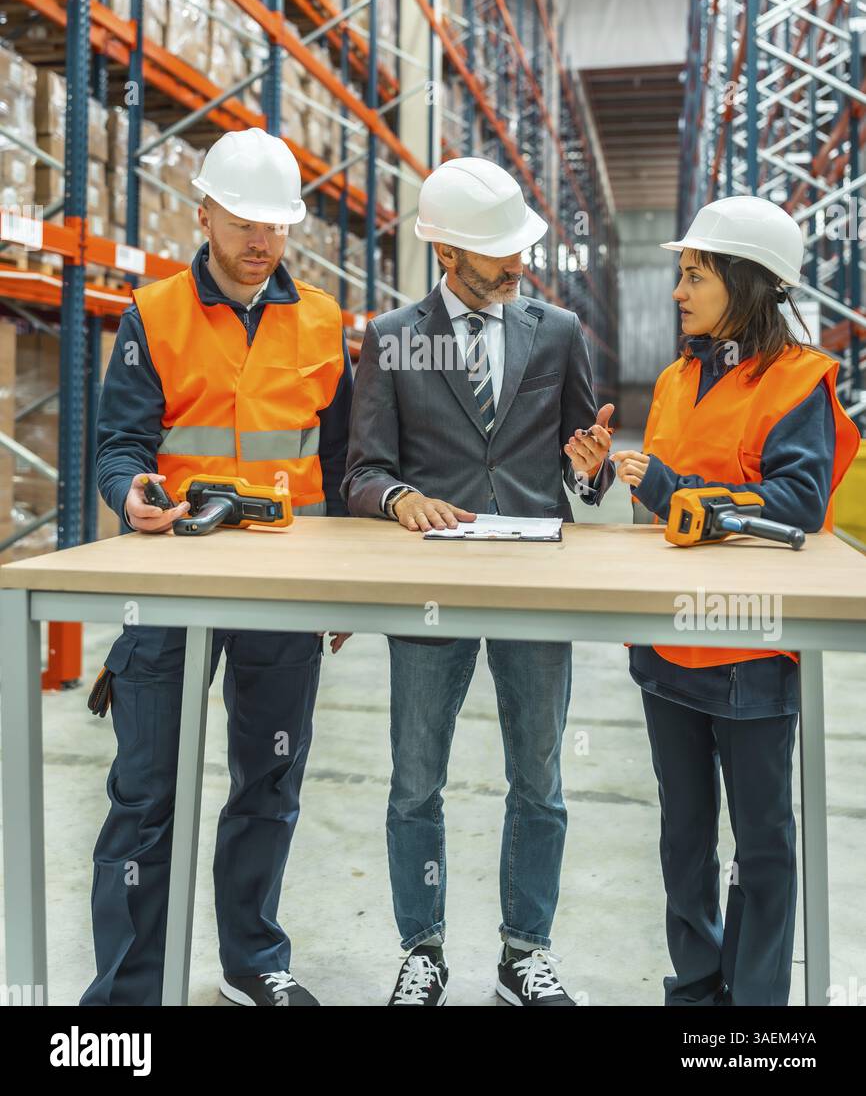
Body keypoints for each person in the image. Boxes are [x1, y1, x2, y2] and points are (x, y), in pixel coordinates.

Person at [81, 127, 353, 1007]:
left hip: (285, 589)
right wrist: (131, 495)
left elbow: (344, 467)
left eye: (274, 226)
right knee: (144, 793)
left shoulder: (321, 321)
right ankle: (127, 995)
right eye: (241, 222)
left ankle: (254, 962)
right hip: (173, 583)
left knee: (268, 782)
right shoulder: (152, 313)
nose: (258, 242)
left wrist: (347, 581)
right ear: (203, 215)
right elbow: (120, 444)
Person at [342, 156, 615, 1006]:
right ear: (446, 255)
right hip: (432, 584)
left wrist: (593, 471)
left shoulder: (558, 331)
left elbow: (586, 468)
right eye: (498, 255)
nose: (517, 269)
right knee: (416, 776)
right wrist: (401, 498)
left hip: (534, 581)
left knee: (539, 777)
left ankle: (523, 951)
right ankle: (421, 950)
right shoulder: (392, 338)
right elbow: (360, 472)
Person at [609, 194, 860, 1007]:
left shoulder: (797, 382)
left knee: (761, 843)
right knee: (684, 836)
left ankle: (752, 1010)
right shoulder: (681, 377)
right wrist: (607, 473)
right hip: (666, 642)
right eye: (680, 275)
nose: (678, 292)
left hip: (752, 649)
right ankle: (695, 989)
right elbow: (665, 497)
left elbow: (794, 501)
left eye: (695, 276)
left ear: (746, 283)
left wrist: (672, 486)